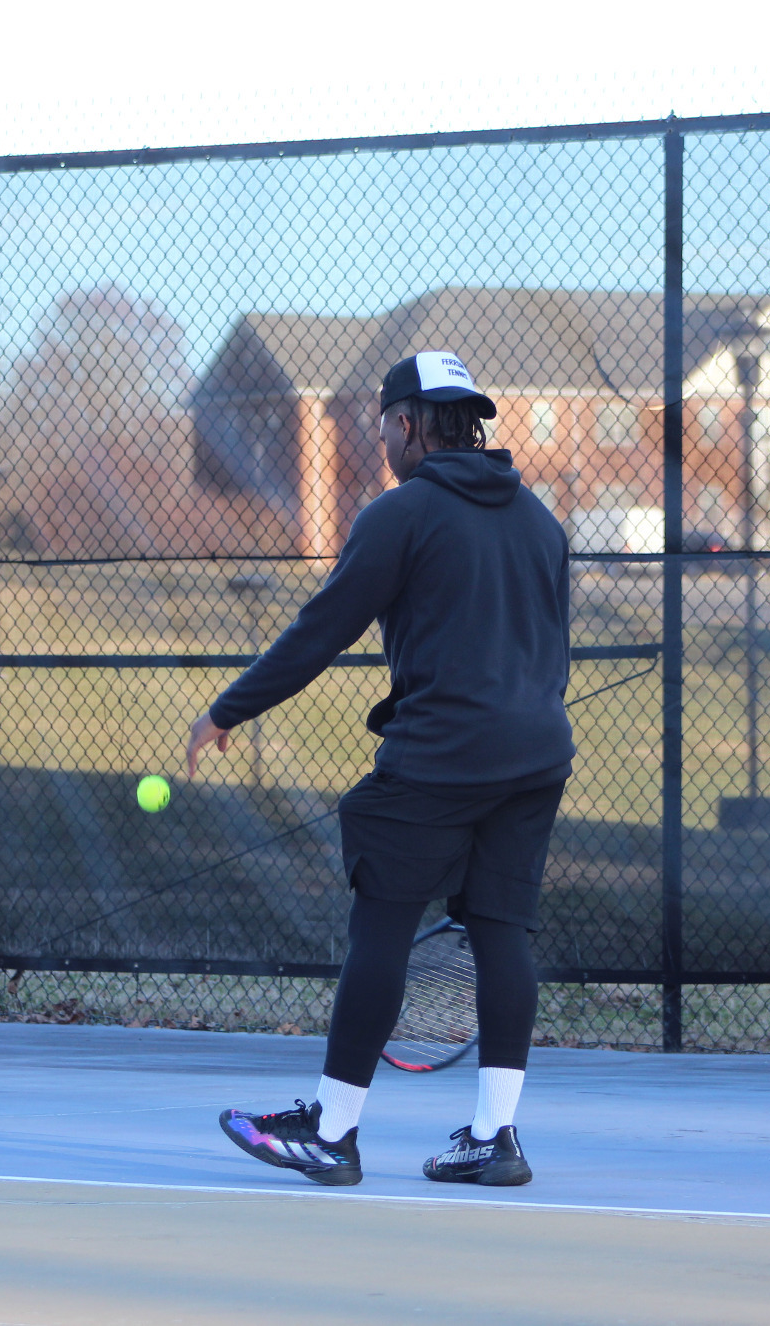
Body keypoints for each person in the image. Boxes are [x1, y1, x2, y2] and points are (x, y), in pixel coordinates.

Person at [187, 350, 572, 1188]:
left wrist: (229, 708)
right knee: (502, 928)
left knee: (384, 924)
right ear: (469, 422)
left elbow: (321, 629)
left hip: (442, 754)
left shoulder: (399, 516)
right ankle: (494, 1136)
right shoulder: (543, 522)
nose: (383, 440)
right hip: (539, 756)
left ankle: (331, 1128)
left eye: (384, 425)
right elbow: (553, 650)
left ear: (405, 424)